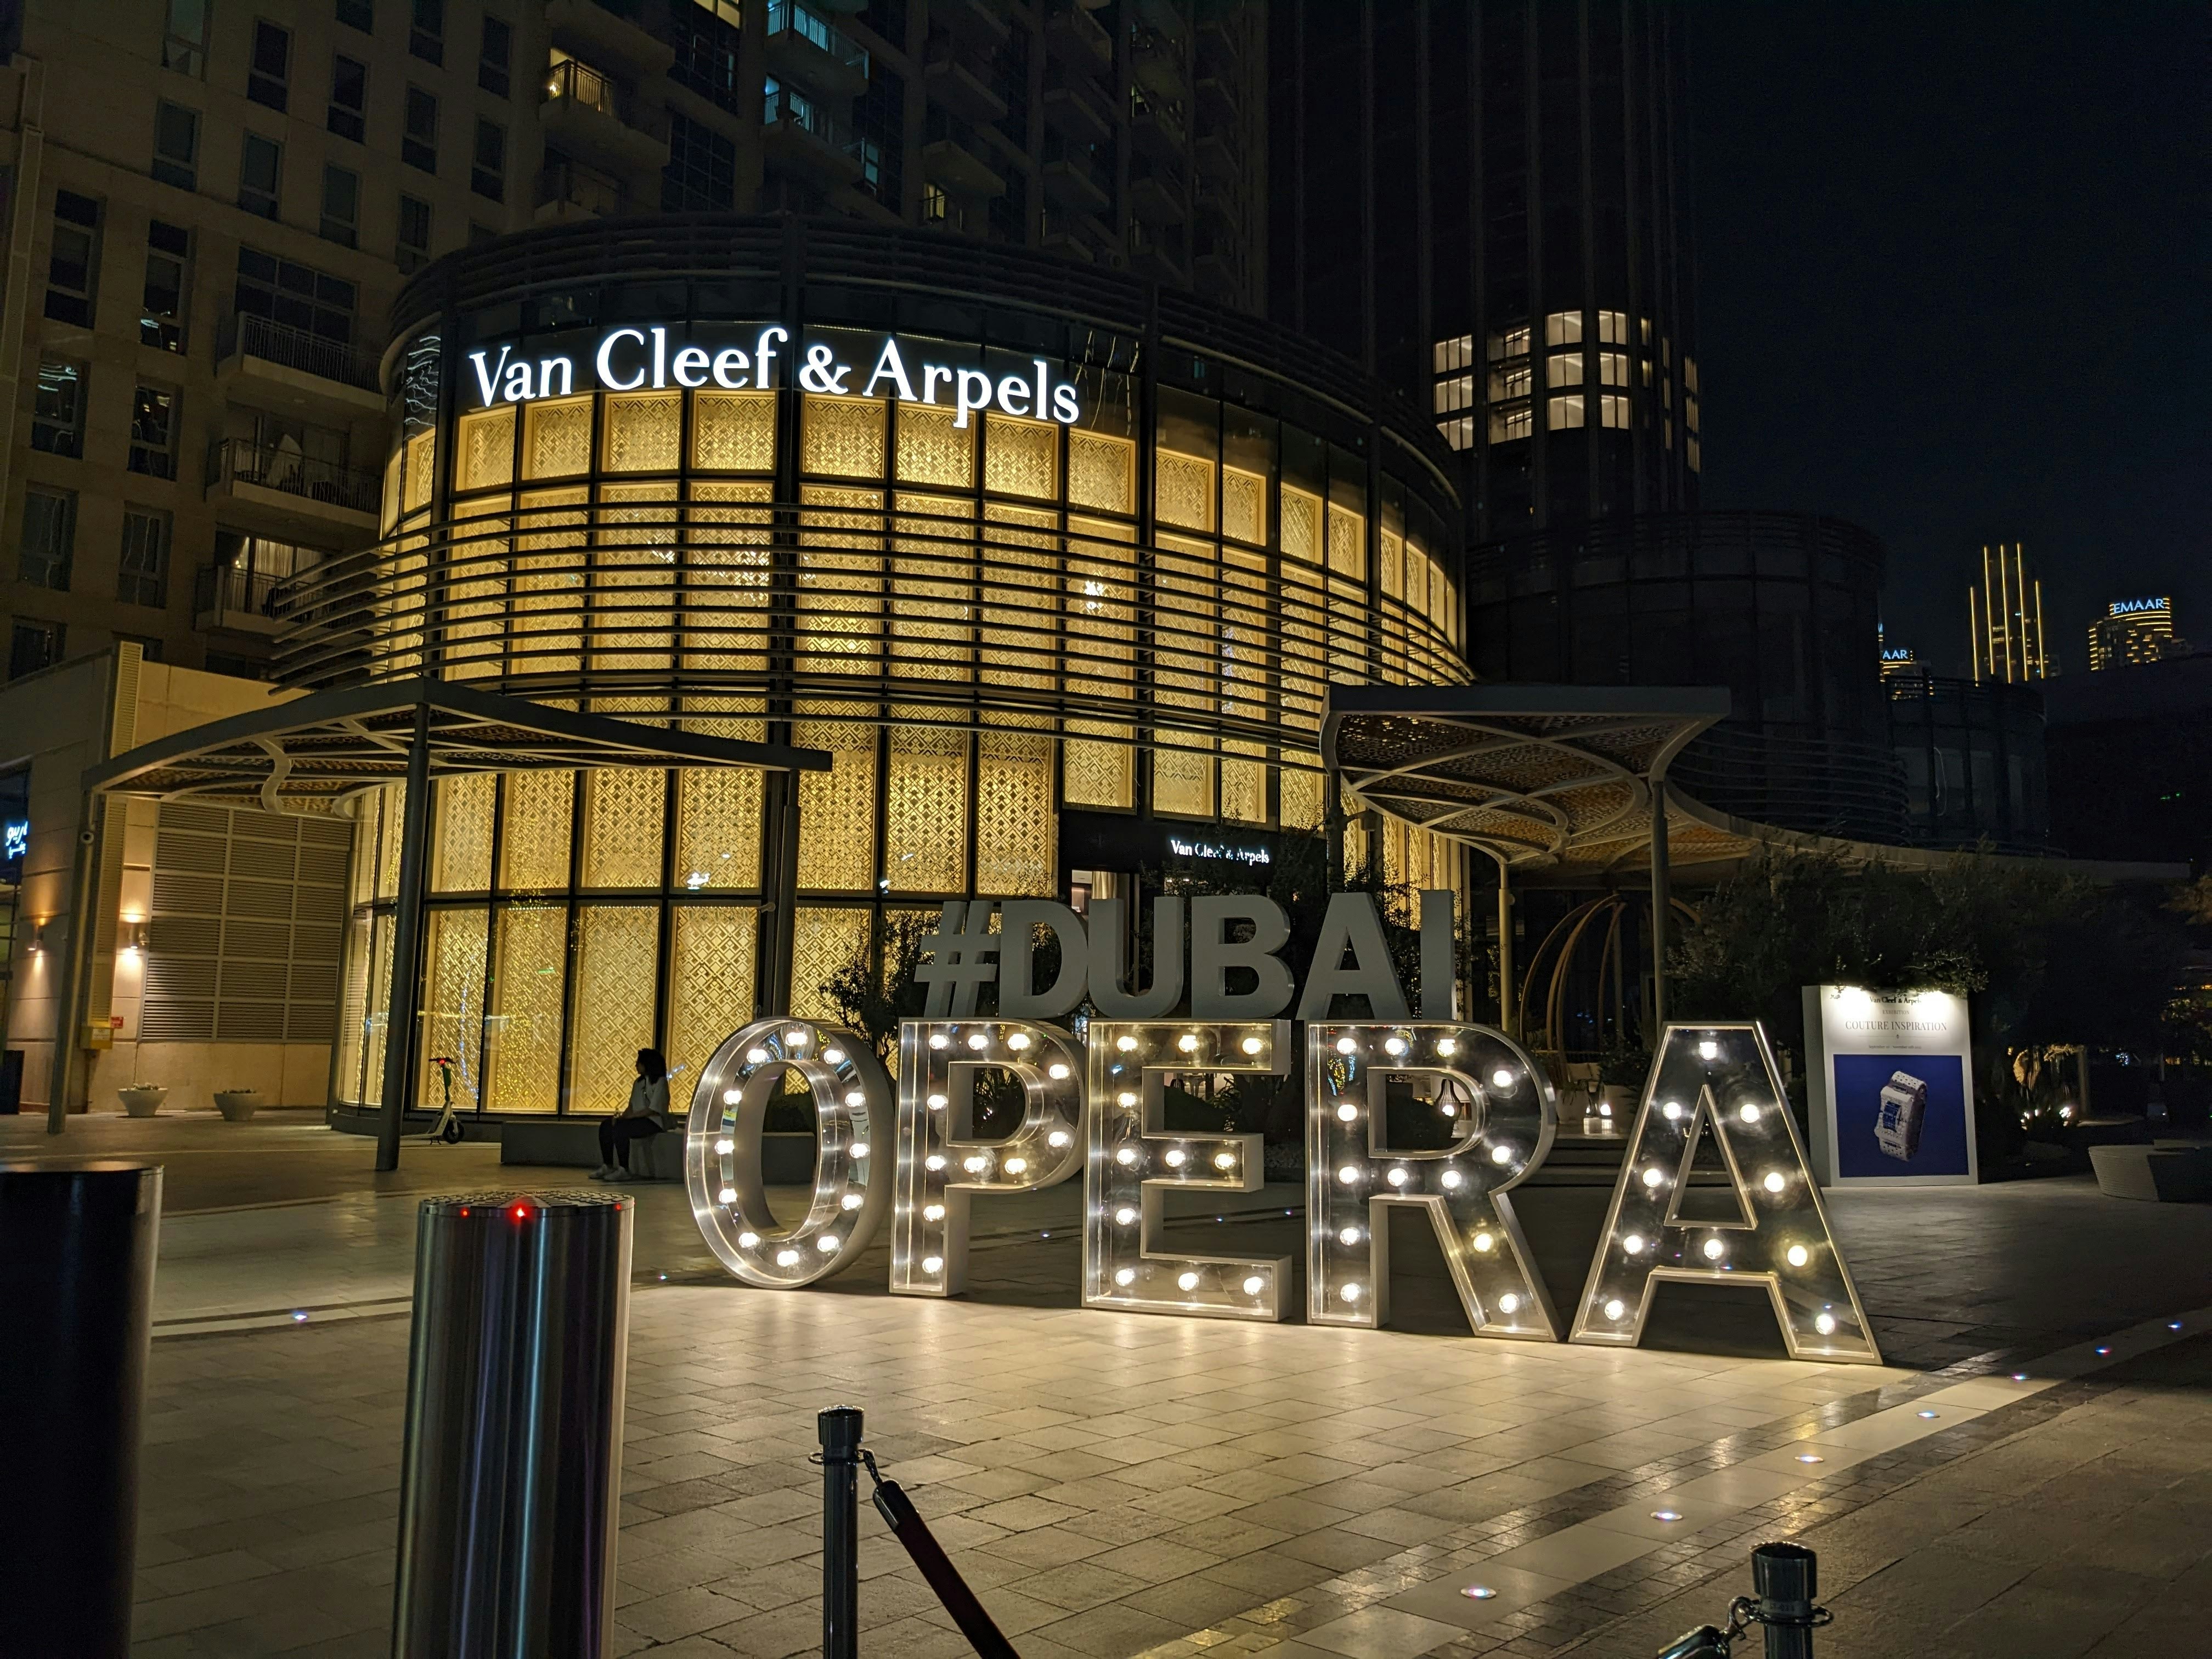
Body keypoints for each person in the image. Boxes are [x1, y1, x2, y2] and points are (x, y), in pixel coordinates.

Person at [594, 1048, 669, 1179]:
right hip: (637, 1119)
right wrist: (620, 1118)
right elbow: (632, 1106)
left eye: (639, 1063)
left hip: (653, 1122)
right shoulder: (638, 1082)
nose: (636, 1066)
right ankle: (608, 1165)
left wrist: (629, 1118)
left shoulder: (661, 1082)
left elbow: (653, 1109)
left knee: (622, 1128)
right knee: (606, 1125)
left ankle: (624, 1169)